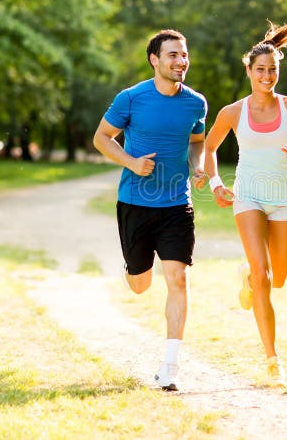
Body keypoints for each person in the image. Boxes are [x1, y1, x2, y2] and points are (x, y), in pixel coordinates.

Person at [203, 19, 287, 387]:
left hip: (283, 198)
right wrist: (216, 183)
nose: (267, 75)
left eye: (272, 70)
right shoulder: (233, 112)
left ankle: (248, 275)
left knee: (280, 277)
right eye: (261, 70)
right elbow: (209, 148)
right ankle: (273, 359)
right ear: (249, 71)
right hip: (248, 196)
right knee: (265, 276)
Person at [93, 29, 207, 392]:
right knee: (140, 285)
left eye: (184, 54)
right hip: (135, 204)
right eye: (172, 55)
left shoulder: (196, 103)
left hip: (177, 204)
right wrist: (131, 162)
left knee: (178, 279)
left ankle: (170, 366)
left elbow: (197, 142)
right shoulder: (131, 98)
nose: (181, 61)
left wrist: (199, 165)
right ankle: (132, 267)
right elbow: (101, 138)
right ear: (154, 60)